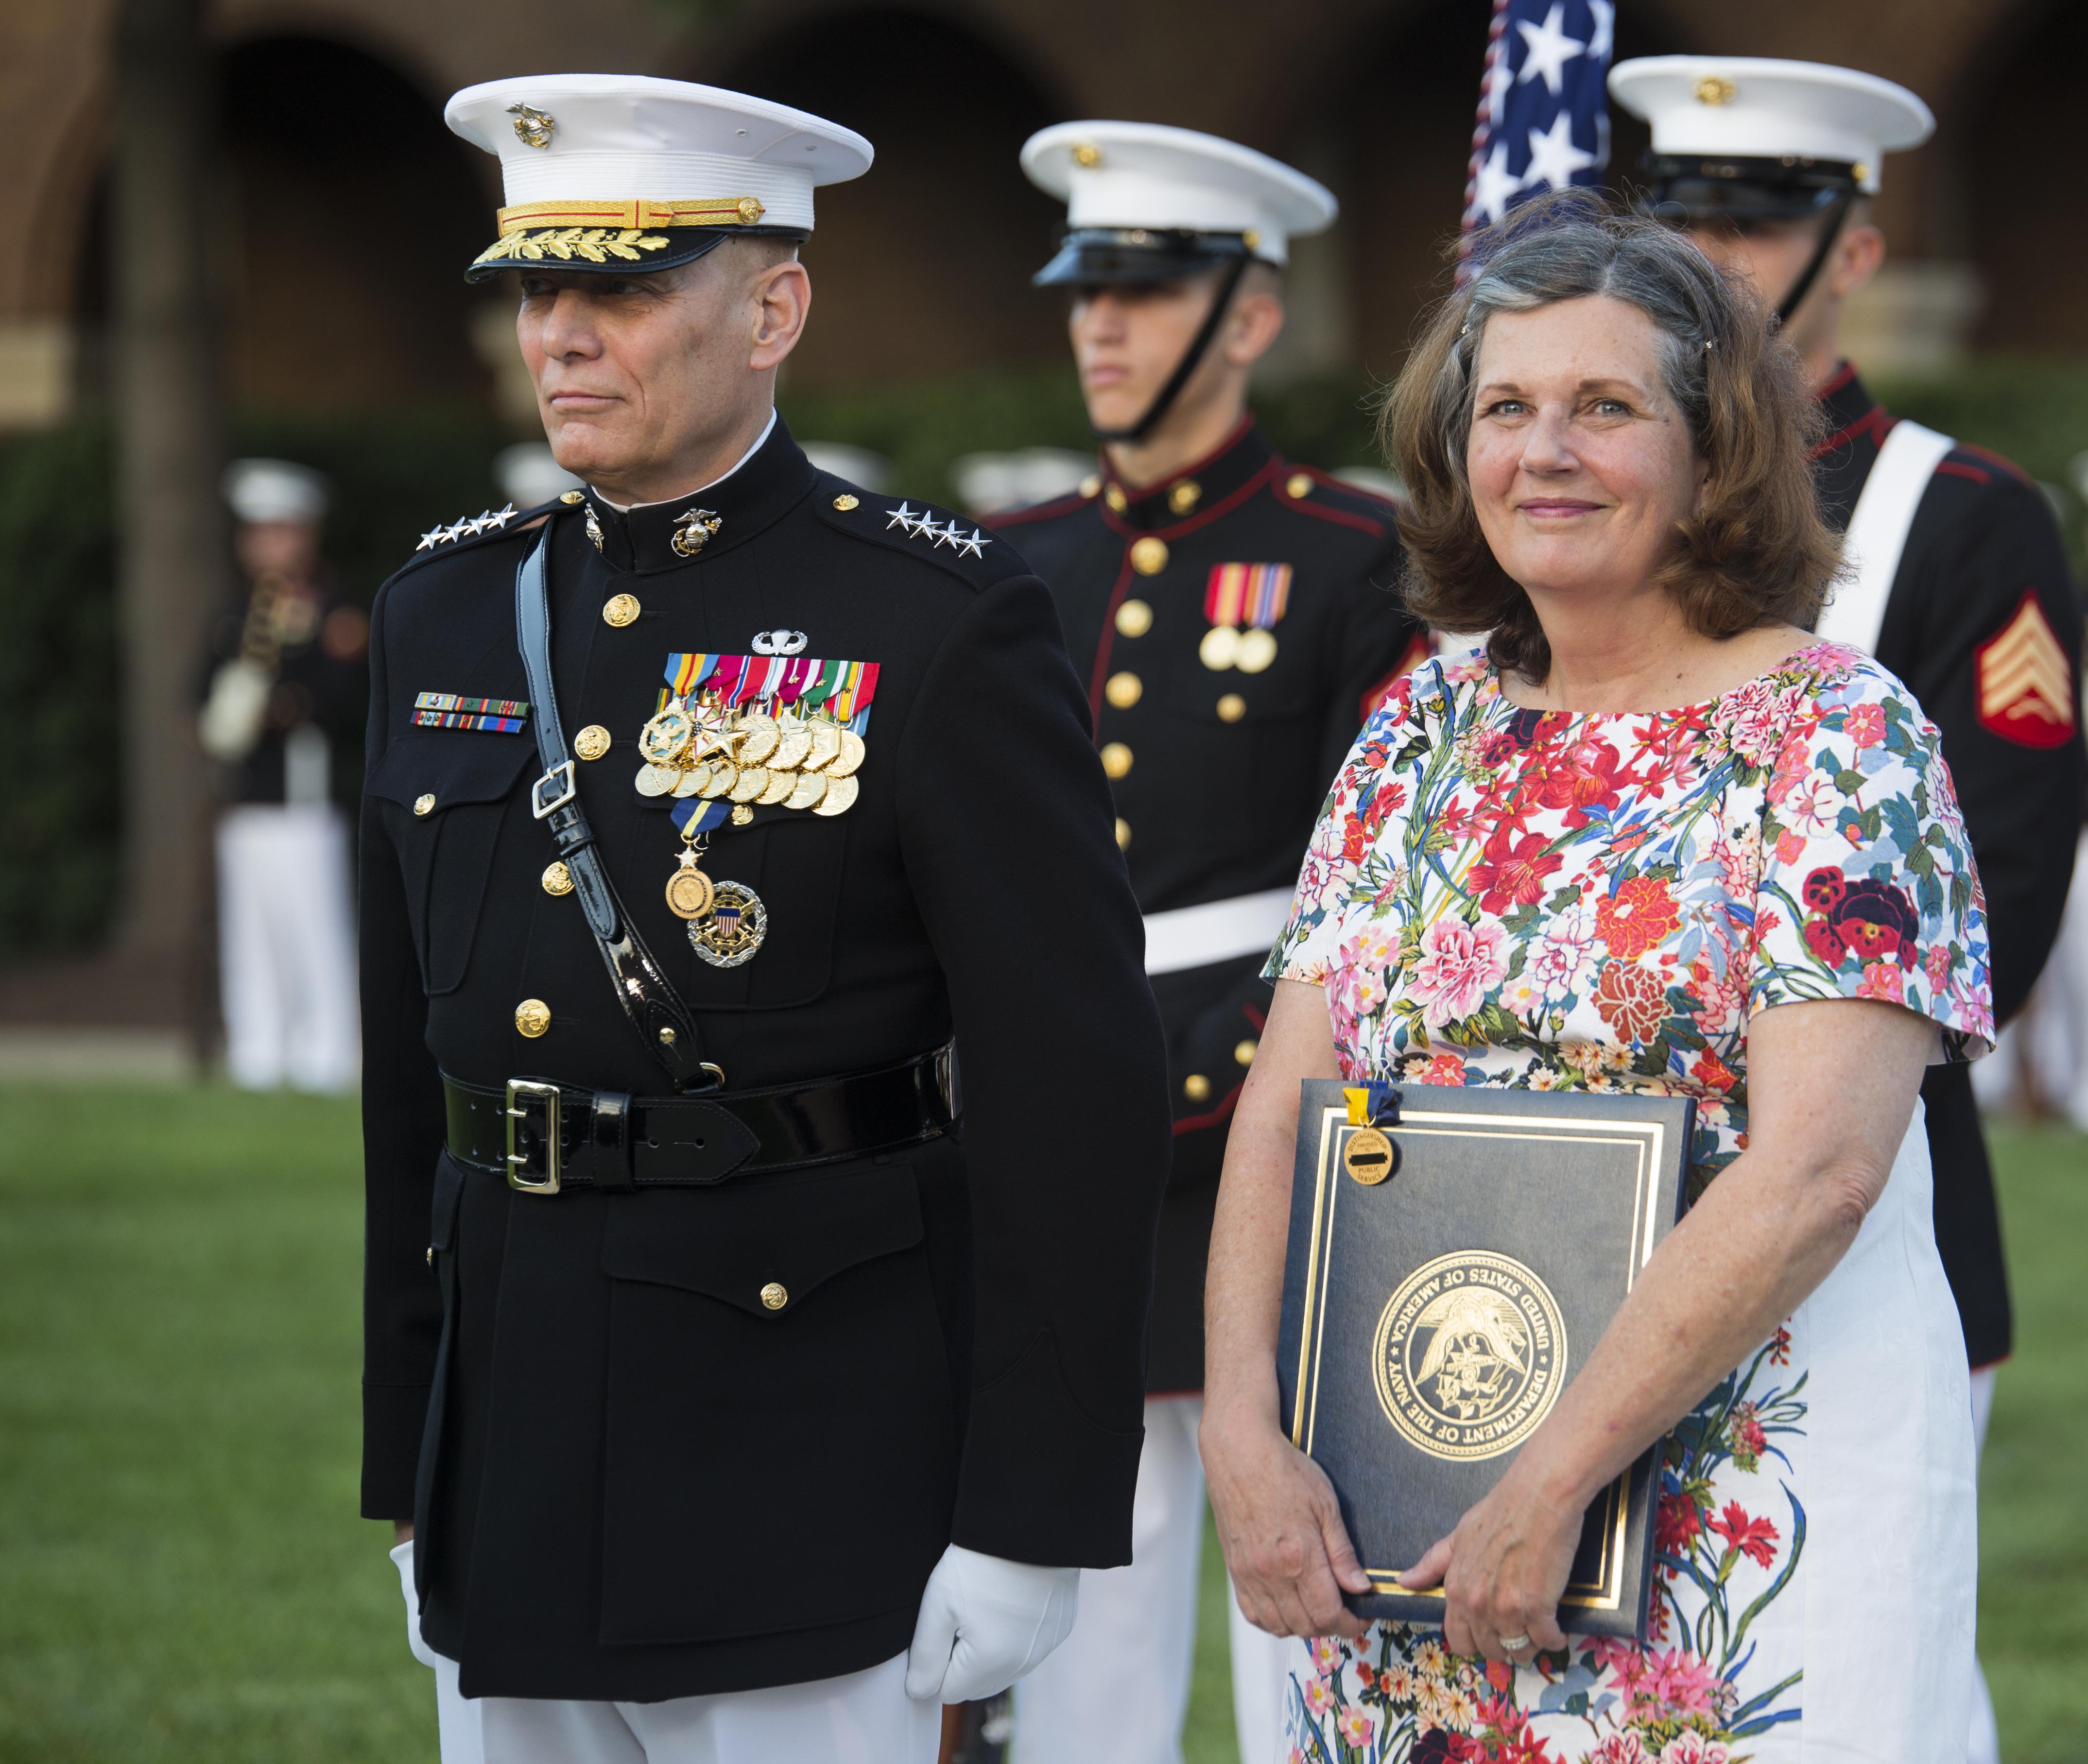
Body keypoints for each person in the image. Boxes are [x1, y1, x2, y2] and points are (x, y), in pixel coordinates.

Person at [362, 74, 1172, 1764]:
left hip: (807, 1446)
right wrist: (409, 1452)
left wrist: (1028, 1514)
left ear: (773, 311)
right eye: (536, 288)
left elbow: (1068, 1086)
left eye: (623, 289)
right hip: (509, 1433)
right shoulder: (445, 610)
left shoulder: (932, 617)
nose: (561, 333)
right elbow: (412, 1086)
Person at [1200, 197, 1993, 1761]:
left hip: (1725, 1534)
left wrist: (1552, 1481)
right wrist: (1241, 1425)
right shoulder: (1418, 730)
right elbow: (1283, 1104)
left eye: (1606, 407)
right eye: (1504, 408)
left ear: (1717, 452)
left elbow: (1820, 1173)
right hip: (1411, 1517)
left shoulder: (1840, 740)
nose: (1544, 452)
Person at [1608, 59, 2085, 1759]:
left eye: (1755, 223)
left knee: (1856, 1691)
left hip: (1862, 1182)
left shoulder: (1959, 517)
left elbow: (1997, 893)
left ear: (1853, 253)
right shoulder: (1614, 494)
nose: (1712, 259)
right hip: (1583, 1190)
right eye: (1684, 221)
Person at [988, 122, 1425, 1764]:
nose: (1099, 324)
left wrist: (1220, 1076)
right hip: (1056, 1130)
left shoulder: (1351, 558)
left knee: (1299, 1611)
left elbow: (1371, 881)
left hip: (1272, 1127)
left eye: (1147, 291)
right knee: (1078, 1622)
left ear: (1249, 317)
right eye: (1083, 291)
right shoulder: (1014, 562)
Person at [198, 458, 367, 1092]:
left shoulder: (335, 612)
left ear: (306, 535)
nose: (267, 546)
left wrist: (274, 707)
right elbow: (200, 697)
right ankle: (259, 1052)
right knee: (251, 937)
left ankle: (328, 1053)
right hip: (246, 798)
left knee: (316, 930)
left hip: (307, 800)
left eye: (280, 532)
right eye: (257, 533)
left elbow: (342, 699)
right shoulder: (236, 614)